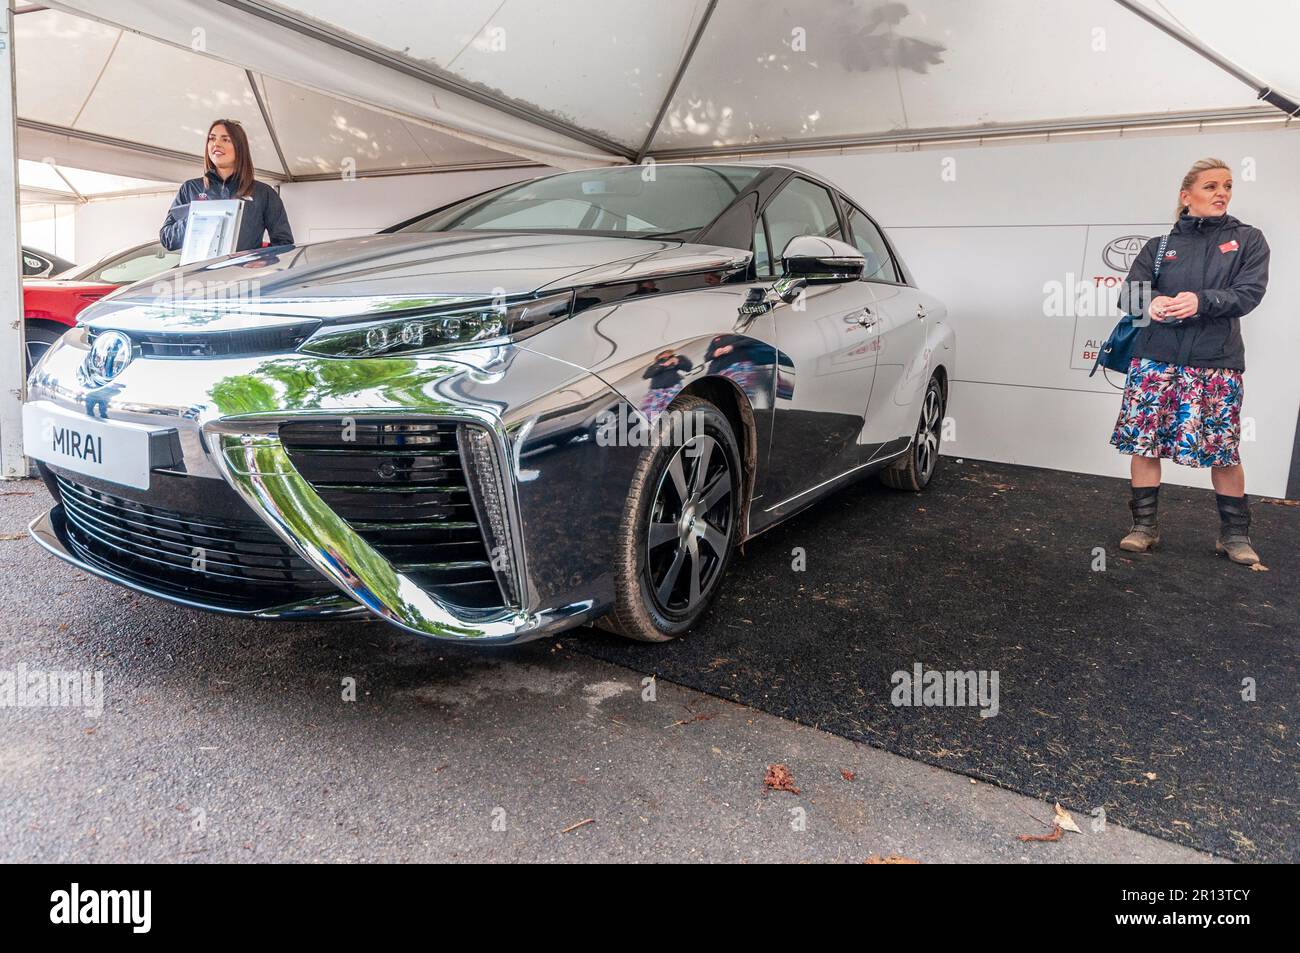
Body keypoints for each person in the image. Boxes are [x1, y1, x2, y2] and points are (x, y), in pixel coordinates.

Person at [1110, 158, 1270, 564]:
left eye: (1228, 186)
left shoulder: (1249, 240)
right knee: (1144, 443)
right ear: (1187, 196)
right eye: (1212, 186)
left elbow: (1249, 294)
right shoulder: (1158, 247)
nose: (1222, 193)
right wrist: (1155, 301)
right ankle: (1143, 528)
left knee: (1224, 450)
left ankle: (1234, 537)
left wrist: (1202, 301)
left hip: (1216, 361)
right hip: (1155, 360)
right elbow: (1128, 297)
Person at [160, 119, 293, 253]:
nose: (216, 144)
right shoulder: (190, 188)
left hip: (242, 273)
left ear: (240, 147)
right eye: (212, 139)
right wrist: (196, 219)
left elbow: (284, 244)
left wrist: (260, 259)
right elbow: (167, 239)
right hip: (199, 273)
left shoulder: (264, 193)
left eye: (226, 140)